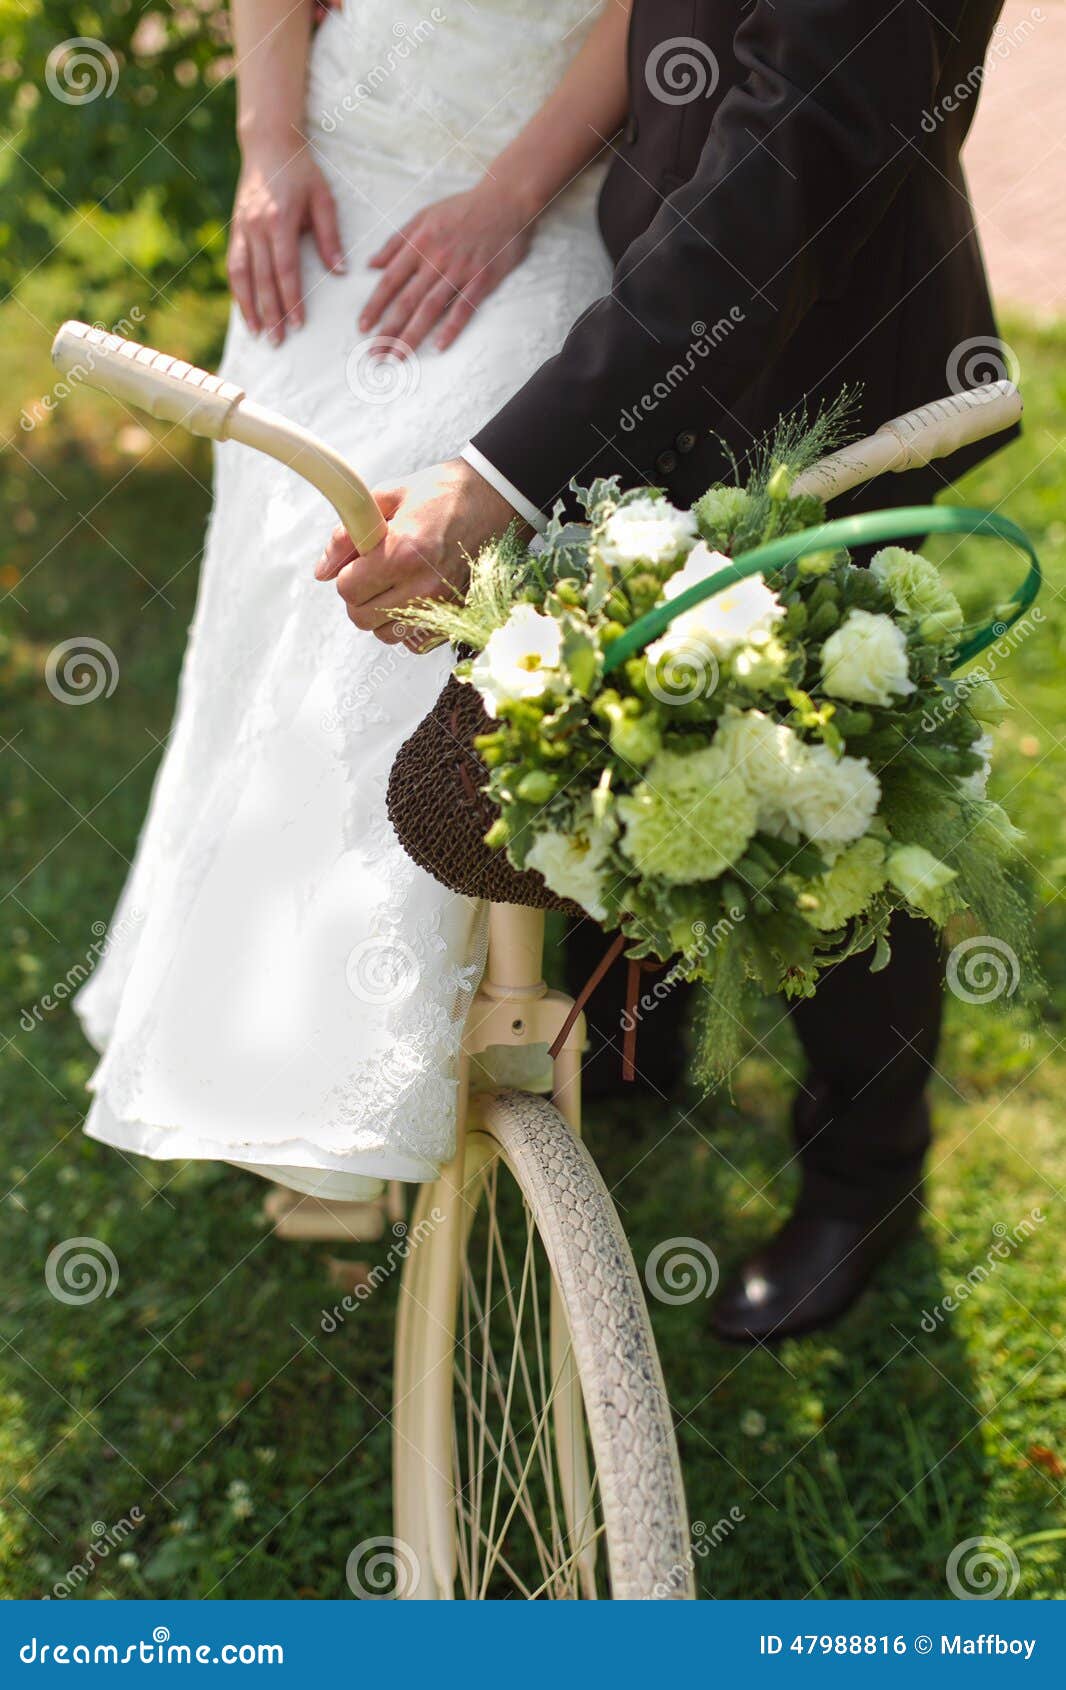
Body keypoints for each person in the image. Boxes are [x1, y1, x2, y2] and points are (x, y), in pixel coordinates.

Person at [318, 0, 1015, 1338]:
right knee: (642, 698)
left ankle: (861, 1182)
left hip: (822, 363)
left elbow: (789, 169)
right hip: (651, 326)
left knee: (829, 773)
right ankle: (641, 1025)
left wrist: (497, 479)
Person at [75, 0, 629, 1201]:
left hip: (538, 190)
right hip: (335, 178)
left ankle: (357, 1043)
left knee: (409, 588)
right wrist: (268, 147)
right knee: (277, 579)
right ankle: (231, 1011)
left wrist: (510, 199)